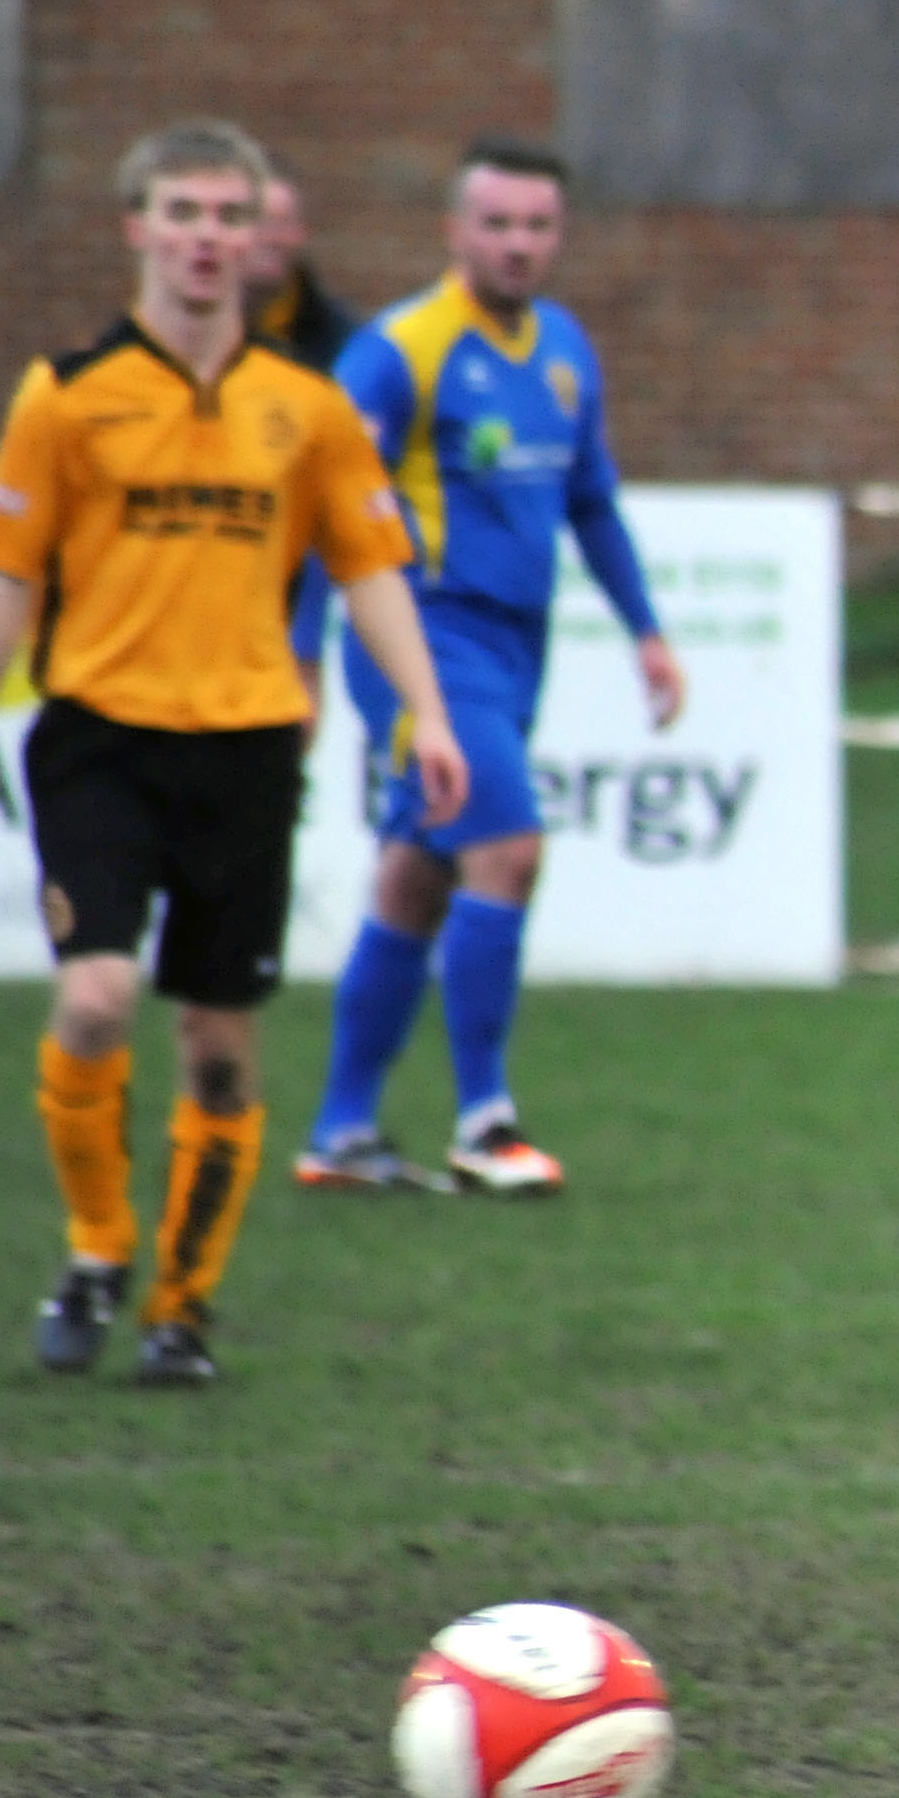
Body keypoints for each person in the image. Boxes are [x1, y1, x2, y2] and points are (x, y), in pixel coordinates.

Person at [0, 120, 468, 1386]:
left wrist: (427, 713)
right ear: (138, 228)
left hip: (250, 747)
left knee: (218, 1046)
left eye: (229, 216)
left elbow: (371, 566)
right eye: (182, 214)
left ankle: (181, 1304)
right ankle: (98, 1246)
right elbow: (2, 580)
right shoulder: (67, 394)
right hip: (99, 739)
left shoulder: (307, 407)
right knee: (98, 997)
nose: (206, 239)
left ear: (258, 235)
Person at [294, 139, 685, 1199]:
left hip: (515, 647)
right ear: (453, 231)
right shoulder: (398, 351)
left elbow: (590, 498)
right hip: (421, 641)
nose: (518, 244)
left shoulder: (563, 346)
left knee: (417, 878)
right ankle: (484, 1121)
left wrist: (645, 629)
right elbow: (322, 513)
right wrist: (301, 660)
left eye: (537, 225)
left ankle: (339, 1132)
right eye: (497, 223)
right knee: (505, 851)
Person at [243, 164, 356, 376]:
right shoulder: (198, 328)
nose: (271, 238)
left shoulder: (340, 339)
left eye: (283, 223)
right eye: (260, 223)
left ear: (303, 232)